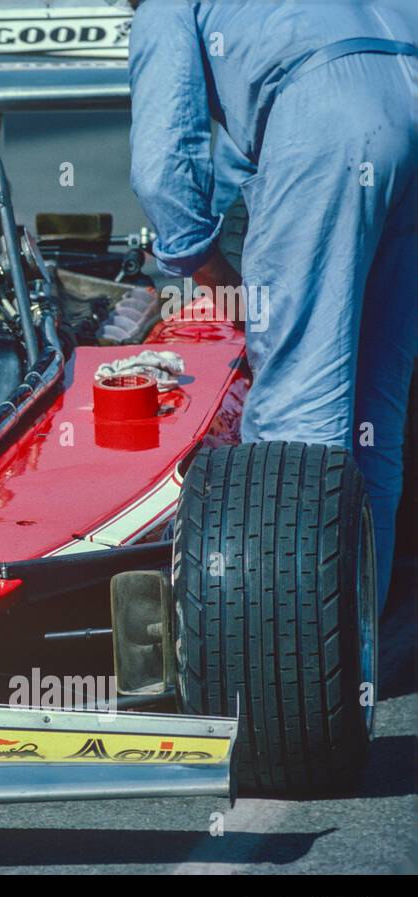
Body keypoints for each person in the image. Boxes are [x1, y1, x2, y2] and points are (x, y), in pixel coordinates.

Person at [126, 0, 416, 605]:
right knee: (373, 417)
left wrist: (211, 274)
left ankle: (296, 668)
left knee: (296, 418)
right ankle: (359, 643)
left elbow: (162, 168)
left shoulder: (165, 6)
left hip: (334, 120)